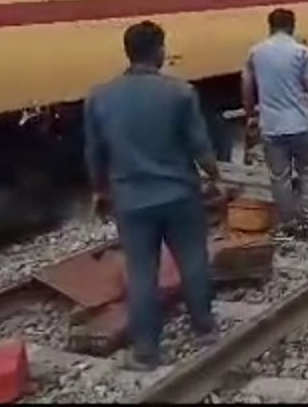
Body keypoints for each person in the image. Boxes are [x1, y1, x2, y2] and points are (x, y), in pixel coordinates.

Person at [84, 21, 220, 371]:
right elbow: (200, 146)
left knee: (142, 272)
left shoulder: (100, 97)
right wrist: (215, 176)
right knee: (193, 260)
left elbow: (95, 152)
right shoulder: (180, 93)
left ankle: (146, 350)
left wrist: (100, 190)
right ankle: (204, 328)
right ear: (158, 51)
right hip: (180, 195)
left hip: (131, 200)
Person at [242, 8, 308, 239]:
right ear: (292, 26)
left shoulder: (255, 53)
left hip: (271, 127)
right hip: (300, 124)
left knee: (279, 177)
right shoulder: (301, 52)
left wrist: (251, 115)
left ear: (270, 26)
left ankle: (288, 225)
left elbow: (247, 87)